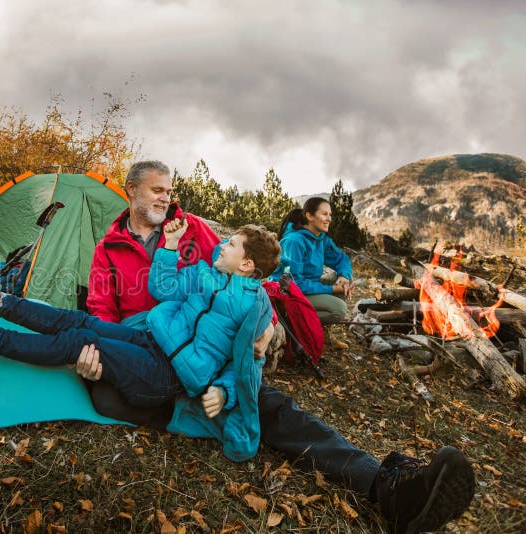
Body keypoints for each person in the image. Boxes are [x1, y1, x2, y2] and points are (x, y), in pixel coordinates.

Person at [78, 160, 474, 534]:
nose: (166, 198)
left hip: (207, 348)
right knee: (107, 394)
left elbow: (248, 275)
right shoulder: (107, 250)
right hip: (148, 349)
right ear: (131, 190)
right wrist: (106, 353)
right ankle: (194, 407)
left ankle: (385, 486)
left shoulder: (193, 230)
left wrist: (266, 325)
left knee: (272, 407)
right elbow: (100, 311)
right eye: (156, 190)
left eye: (170, 190)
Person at [0, 221, 277, 414]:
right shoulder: (206, 275)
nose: (221, 245)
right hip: (151, 340)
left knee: (82, 341)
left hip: (165, 375)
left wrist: (222, 392)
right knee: (80, 321)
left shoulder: (252, 308)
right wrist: (171, 245)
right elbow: (162, 288)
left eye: (231, 244)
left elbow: (247, 364)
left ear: (246, 264)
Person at [269, 197, 353, 325]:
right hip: (288, 293)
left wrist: (343, 277)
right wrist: (332, 289)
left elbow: (342, 259)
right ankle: (289, 321)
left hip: (307, 285)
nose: (329, 219)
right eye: (324, 214)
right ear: (309, 216)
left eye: (330, 214)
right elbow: (293, 283)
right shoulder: (294, 241)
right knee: (338, 310)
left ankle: (319, 330)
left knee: (345, 279)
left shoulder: (321, 239)